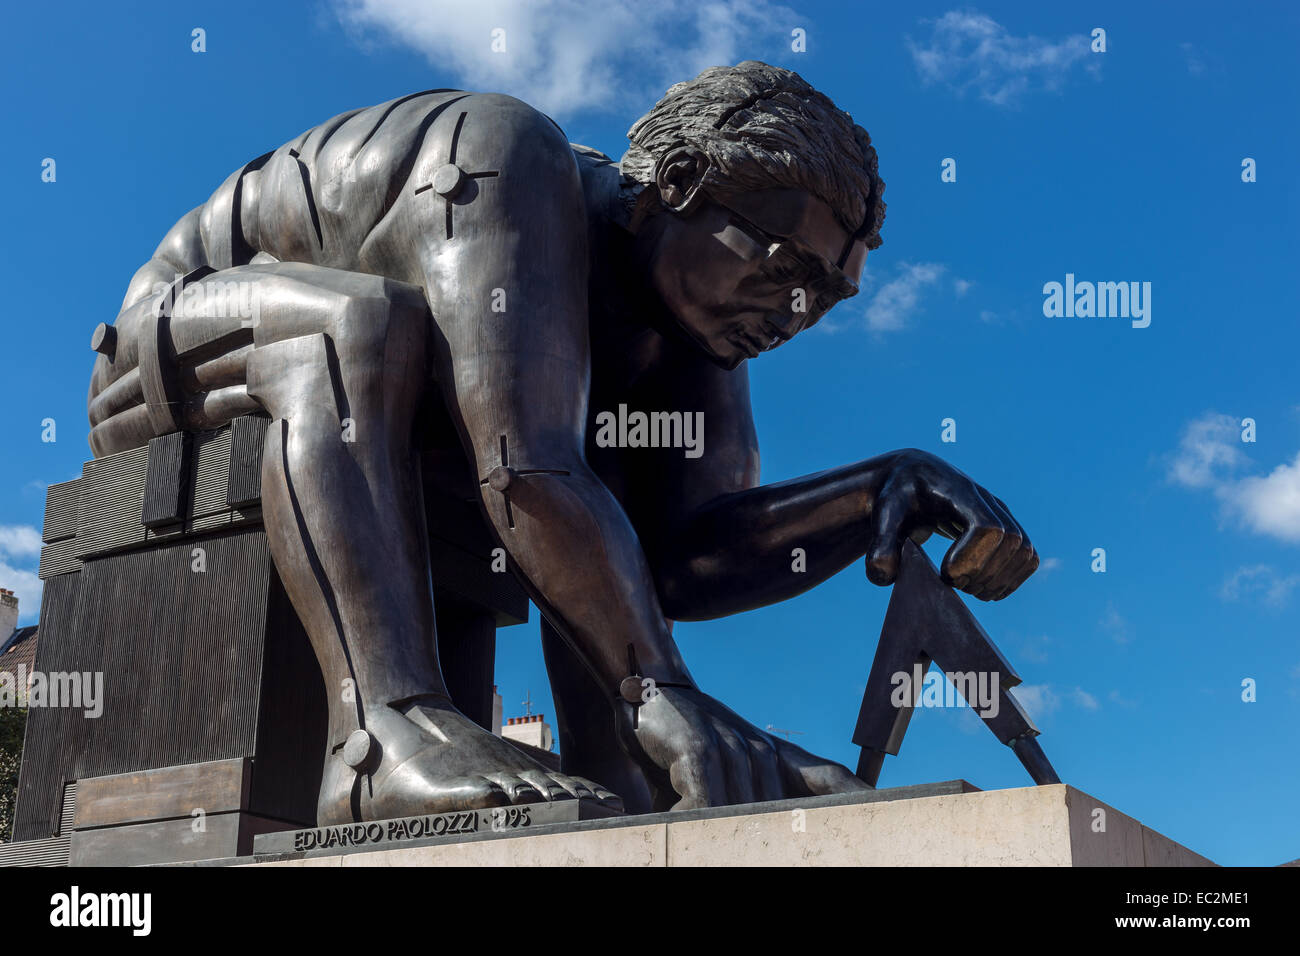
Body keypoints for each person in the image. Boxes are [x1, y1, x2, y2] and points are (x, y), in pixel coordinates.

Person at [86, 61, 1038, 823]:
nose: (796, 316)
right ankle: (380, 741)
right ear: (675, 186)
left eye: (825, 298)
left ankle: (620, 772)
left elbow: (674, 563)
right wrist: (661, 689)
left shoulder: (701, 320)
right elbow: (526, 472)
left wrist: (873, 490)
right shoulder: (511, 160)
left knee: (589, 504)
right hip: (168, 337)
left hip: (399, 418)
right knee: (358, 330)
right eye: (786, 270)